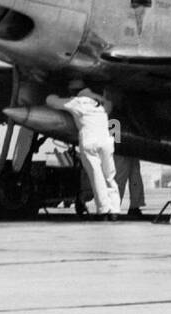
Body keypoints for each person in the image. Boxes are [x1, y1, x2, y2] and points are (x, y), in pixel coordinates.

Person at [45, 82, 120, 219]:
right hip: (106, 142)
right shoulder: (102, 103)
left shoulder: (77, 102)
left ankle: (103, 211)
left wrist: (52, 92)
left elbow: (52, 102)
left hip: (89, 142)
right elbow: (109, 105)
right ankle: (114, 210)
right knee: (109, 176)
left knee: (96, 176)